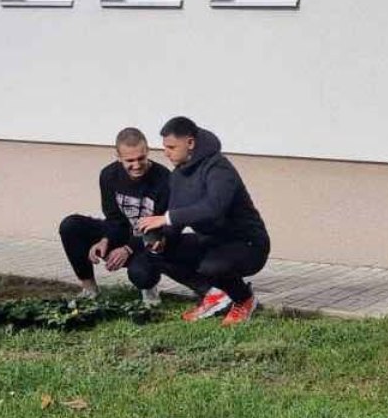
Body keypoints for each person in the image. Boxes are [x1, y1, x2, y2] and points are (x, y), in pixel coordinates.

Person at [134, 116, 269, 324]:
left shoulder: (219, 168)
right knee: (158, 253)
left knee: (211, 266)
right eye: (164, 147)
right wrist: (162, 239)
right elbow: (176, 217)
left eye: (171, 147)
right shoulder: (177, 175)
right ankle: (214, 295)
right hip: (212, 242)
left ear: (190, 143)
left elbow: (214, 208)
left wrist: (167, 218)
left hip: (248, 244)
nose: (166, 153)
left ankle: (244, 300)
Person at [58, 127, 170, 307]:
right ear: (118, 157)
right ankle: (89, 290)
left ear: (148, 151)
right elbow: (113, 218)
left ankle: (149, 288)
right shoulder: (109, 175)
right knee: (71, 225)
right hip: (123, 231)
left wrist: (127, 249)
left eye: (141, 158)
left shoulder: (164, 178)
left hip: (150, 239)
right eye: (129, 160)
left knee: (141, 274)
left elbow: (161, 228)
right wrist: (105, 240)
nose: (136, 165)